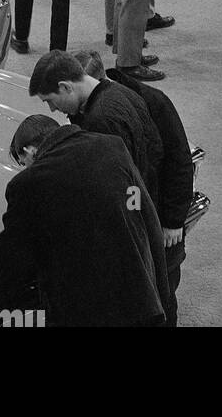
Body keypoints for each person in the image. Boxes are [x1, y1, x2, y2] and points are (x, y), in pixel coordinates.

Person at [0, 115, 169, 328]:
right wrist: (161, 291)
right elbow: (145, 214)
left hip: (89, 312)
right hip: (140, 298)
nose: (26, 168)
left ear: (29, 151)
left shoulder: (28, 184)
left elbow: (9, 261)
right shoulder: (111, 146)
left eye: (24, 163)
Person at [72, 50, 192, 327]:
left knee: (164, 289)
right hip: (136, 210)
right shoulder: (91, 107)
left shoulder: (153, 102)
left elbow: (180, 160)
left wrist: (173, 221)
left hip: (161, 215)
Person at [29, 49, 163, 194]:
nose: (52, 109)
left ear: (65, 87)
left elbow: (120, 184)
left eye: (50, 100)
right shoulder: (124, 92)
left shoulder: (101, 121)